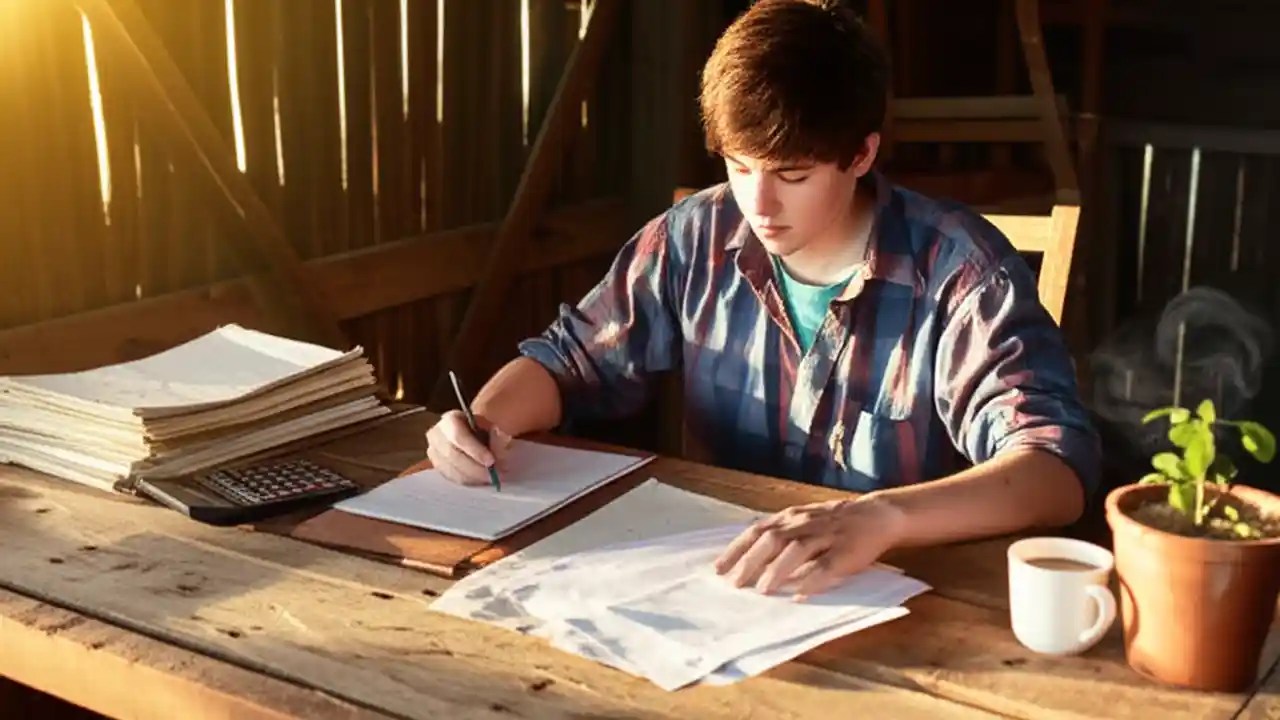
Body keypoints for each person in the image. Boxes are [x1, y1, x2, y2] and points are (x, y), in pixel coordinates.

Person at [425, 0, 1100, 600]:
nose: (760, 204)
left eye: (793, 175)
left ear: (863, 154)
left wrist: (883, 516)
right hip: (716, 589)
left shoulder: (959, 270)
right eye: (739, 167)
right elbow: (570, 362)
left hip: (902, 600)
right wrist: (485, 423)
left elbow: (1054, 470)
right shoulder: (696, 236)